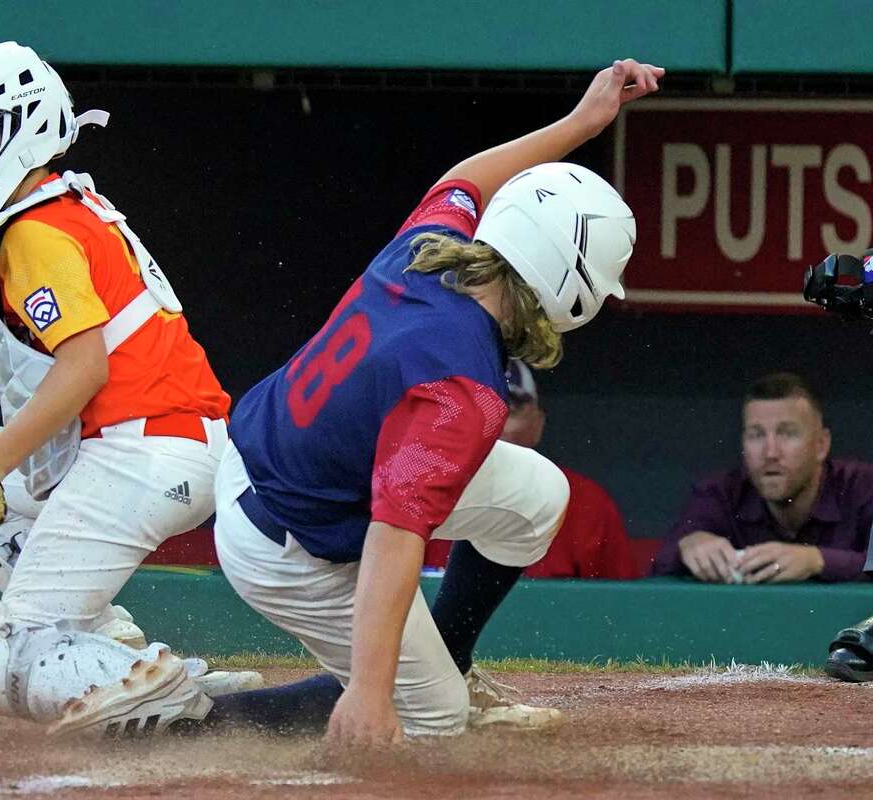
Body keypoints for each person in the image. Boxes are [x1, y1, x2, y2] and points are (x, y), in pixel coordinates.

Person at [200, 59, 662, 744]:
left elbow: (468, 178)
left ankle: (450, 660)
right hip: (288, 539)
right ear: (571, 288)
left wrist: (579, 124)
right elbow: (393, 536)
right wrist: (368, 689)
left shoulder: (430, 246)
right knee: (431, 716)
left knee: (536, 497)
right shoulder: (462, 391)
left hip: (287, 460)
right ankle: (193, 723)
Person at [0, 42, 233, 735]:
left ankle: (173, 697)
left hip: (142, 455)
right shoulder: (62, 204)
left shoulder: (33, 231)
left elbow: (85, 368)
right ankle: (116, 653)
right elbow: (97, 322)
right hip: (156, 443)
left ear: (22, 129)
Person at [652, 372, 873, 583]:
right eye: (756, 435)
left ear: (821, 445)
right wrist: (689, 545)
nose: (770, 453)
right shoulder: (720, 493)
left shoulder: (864, 486)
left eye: (787, 433)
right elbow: (659, 567)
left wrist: (816, 560)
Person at [429, 359, 638, 579]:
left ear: (537, 424)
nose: (493, 423)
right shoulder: (417, 487)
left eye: (510, 410)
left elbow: (619, 602)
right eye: (476, 409)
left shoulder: (587, 501)